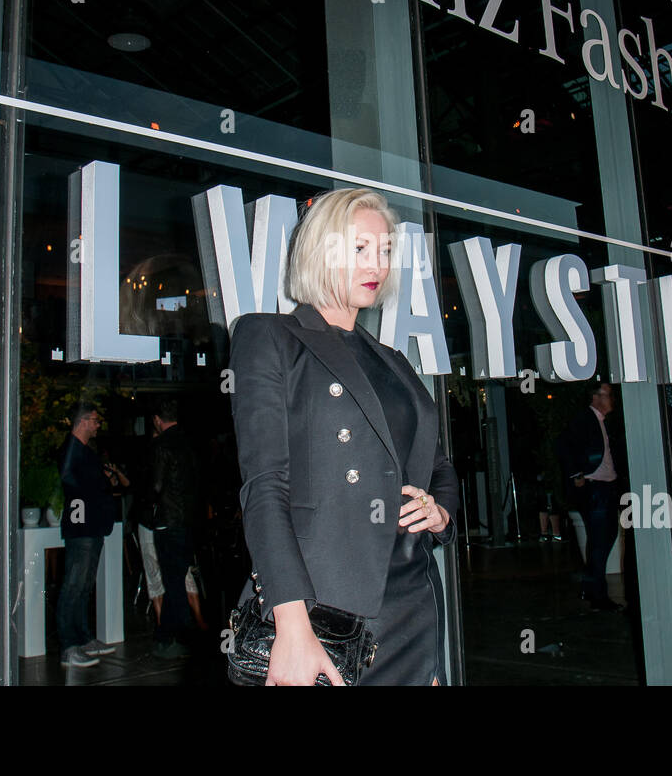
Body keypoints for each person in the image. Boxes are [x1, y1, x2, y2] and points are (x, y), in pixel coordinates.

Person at [228, 187, 459, 686]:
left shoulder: (393, 361)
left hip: (410, 609)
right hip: (322, 611)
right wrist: (292, 623)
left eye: (384, 251)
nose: (375, 263)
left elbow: (437, 463)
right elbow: (265, 486)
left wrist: (440, 511)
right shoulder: (269, 336)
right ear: (320, 249)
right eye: (358, 249)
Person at [55, 405, 127, 669]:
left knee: (83, 586)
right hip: (82, 528)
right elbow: (76, 486)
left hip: (92, 526)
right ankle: (68, 646)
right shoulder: (72, 452)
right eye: (95, 421)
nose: (98, 425)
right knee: (74, 586)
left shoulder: (84, 452)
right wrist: (101, 483)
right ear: (83, 421)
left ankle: (83, 639)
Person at [558, 382, 627, 611]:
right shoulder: (584, 420)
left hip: (606, 486)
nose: (612, 400)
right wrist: (577, 474)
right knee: (600, 539)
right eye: (608, 395)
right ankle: (598, 595)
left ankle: (591, 586)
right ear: (596, 397)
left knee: (605, 537)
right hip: (594, 487)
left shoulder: (604, 423)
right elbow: (566, 445)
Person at [140, 399, 200, 658]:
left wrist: (148, 509)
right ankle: (169, 636)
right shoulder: (189, 443)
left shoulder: (161, 445)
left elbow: (155, 485)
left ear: (156, 419)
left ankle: (174, 637)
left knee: (172, 581)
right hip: (188, 521)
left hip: (167, 521)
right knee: (177, 578)